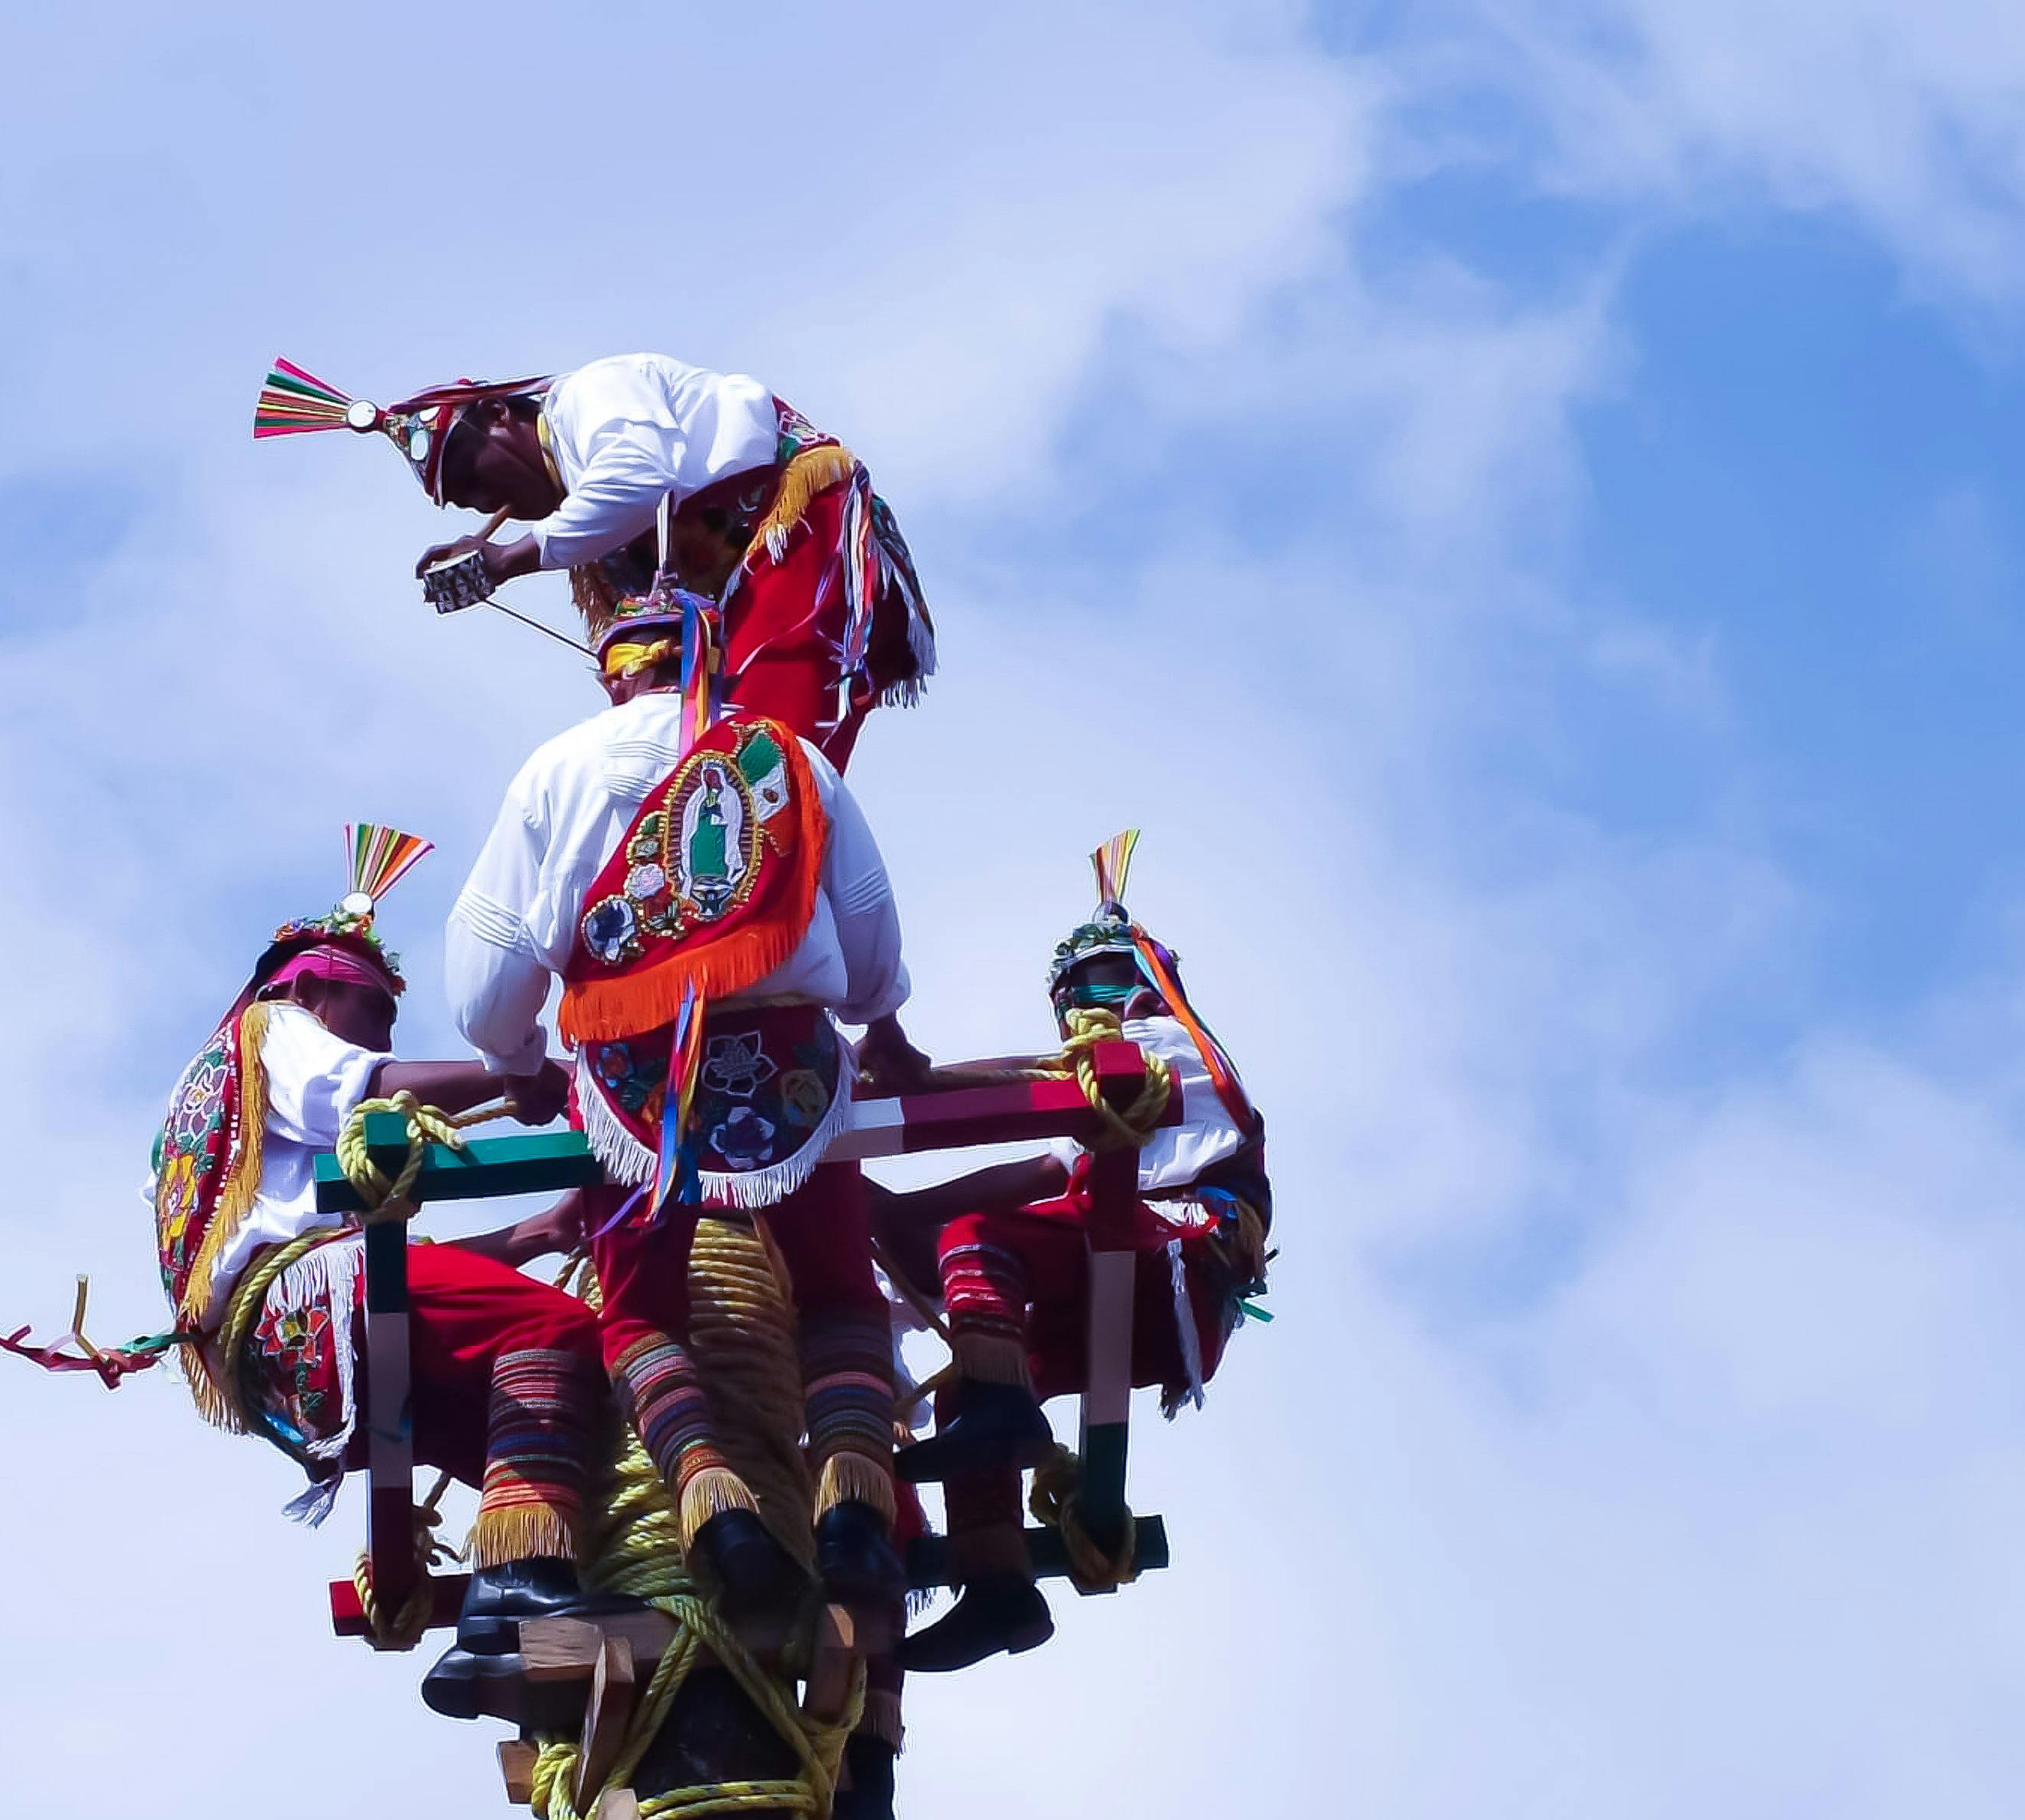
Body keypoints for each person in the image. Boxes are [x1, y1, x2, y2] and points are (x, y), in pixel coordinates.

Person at [446, 595, 932, 1615]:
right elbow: (865, 925)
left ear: (615, 671)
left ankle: (712, 1498)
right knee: (839, 1295)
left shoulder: (558, 768)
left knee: (635, 1312)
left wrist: (517, 1061)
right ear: (711, 664)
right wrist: (882, 1025)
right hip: (791, 1076)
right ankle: (853, 1510)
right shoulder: (788, 756)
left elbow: (490, 972)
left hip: (632, 1087)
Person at [143, 824, 608, 1643]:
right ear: (309, 987)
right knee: (562, 1332)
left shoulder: (200, 1115)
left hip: (287, 1370)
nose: (387, 1037)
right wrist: (522, 1074)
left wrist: (540, 1231)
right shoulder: (272, 1028)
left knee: (555, 1449)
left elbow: (381, 1269)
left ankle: (505, 1630)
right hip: (324, 1312)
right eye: (376, 1010)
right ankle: (515, 1591)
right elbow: (362, 1090)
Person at [873, 833, 1271, 1673]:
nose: (1076, 1010)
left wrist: (909, 1082)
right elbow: (1039, 1167)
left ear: (1145, 983)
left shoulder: (1174, 1050)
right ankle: (999, 1589)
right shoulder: (1111, 1093)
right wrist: (896, 1208)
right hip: (1137, 1289)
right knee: (969, 1386)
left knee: (978, 1241)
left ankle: (1003, 1413)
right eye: (1067, 997)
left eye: (1091, 986)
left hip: (1174, 1252)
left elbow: (1037, 1088)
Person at [396, 353, 934, 768]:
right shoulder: (590, 525)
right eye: (468, 502)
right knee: (704, 757)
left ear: (498, 412)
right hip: (753, 591)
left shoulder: (591, 392)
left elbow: (638, 477)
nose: (484, 501)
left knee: (756, 752)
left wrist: (507, 560)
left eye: (473, 475)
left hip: (797, 535)